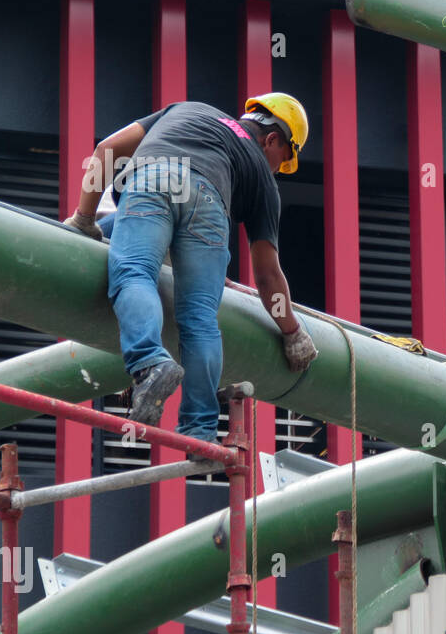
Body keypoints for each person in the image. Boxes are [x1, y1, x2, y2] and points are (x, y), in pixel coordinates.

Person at [63, 93, 319, 443]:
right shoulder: (261, 178)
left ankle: (151, 362)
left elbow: (106, 151)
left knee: (135, 273)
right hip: (210, 205)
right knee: (200, 318)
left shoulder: (188, 110)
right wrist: (292, 332)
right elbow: (267, 275)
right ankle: (199, 431)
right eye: (282, 161)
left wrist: (84, 218)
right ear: (272, 139)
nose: (277, 170)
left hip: (152, 181)